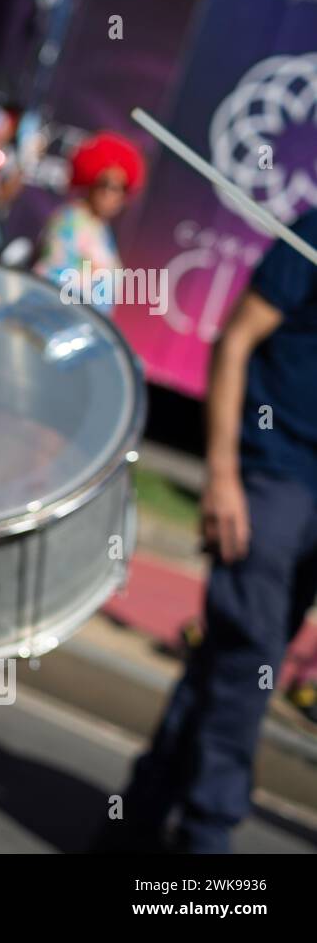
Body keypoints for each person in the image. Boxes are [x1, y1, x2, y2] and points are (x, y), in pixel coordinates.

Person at [113, 209, 317, 853]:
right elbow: (235, 341)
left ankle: (136, 822)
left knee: (227, 662)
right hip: (273, 473)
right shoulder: (311, 235)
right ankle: (208, 843)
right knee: (248, 658)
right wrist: (223, 473)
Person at [33, 131, 144, 315]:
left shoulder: (102, 230)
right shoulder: (69, 221)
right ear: (91, 181)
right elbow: (50, 276)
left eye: (121, 189)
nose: (112, 195)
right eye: (106, 184)